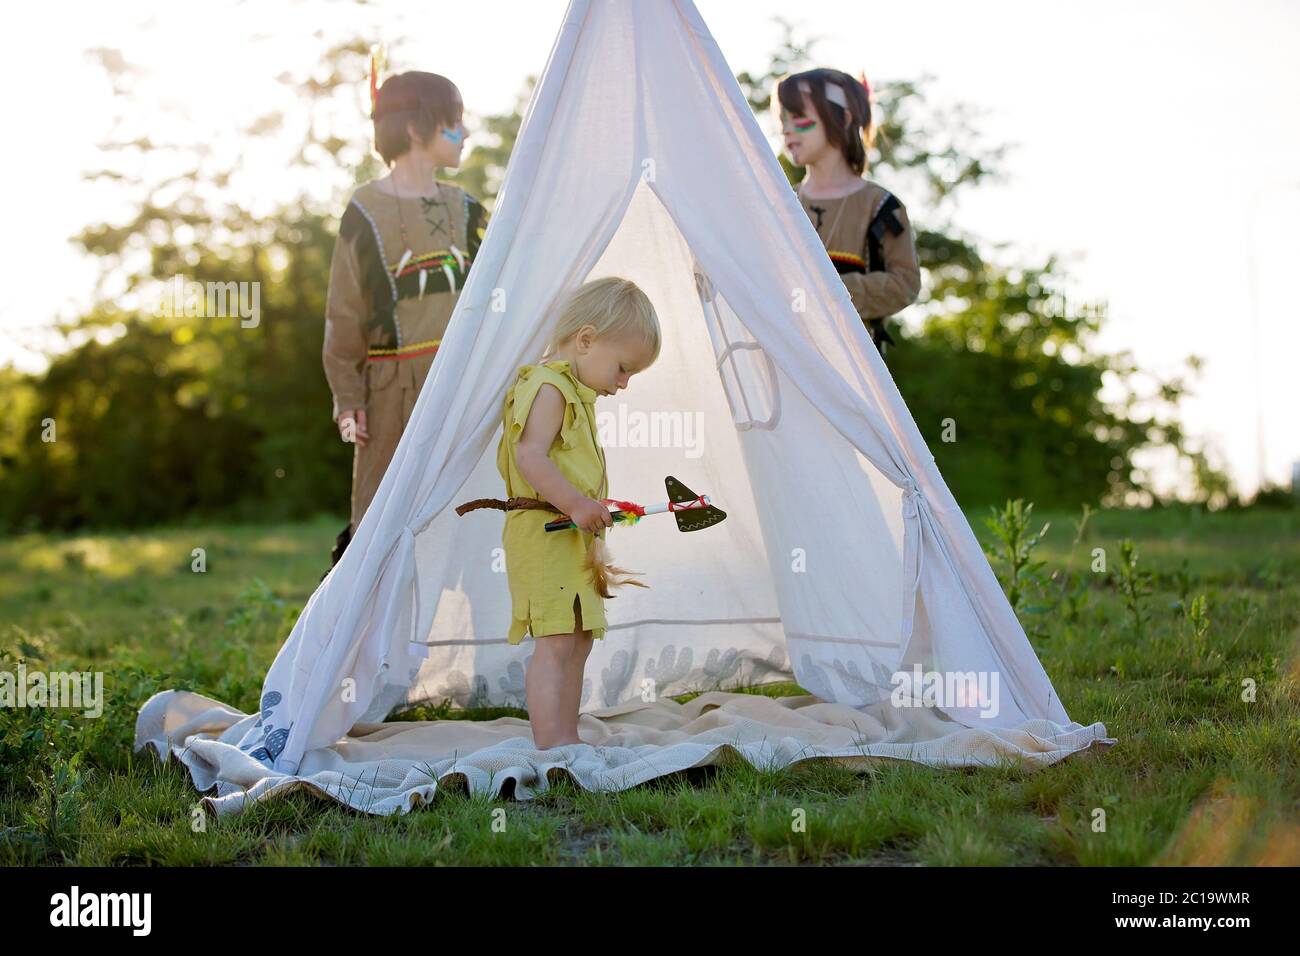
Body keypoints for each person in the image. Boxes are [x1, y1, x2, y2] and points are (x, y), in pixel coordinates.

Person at [320, 69, 488, 577]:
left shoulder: (466, 208)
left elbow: (496, 294)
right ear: (417, 129)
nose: (464, 134)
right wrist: (349, 398)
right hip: (392, 394)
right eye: (454, 124)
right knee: (382, 521)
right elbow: (343, 312)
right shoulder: (364, 211)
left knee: (469, 515)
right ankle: (374, 652)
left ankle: (465, 652)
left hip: (462, 388)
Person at [496, 277, 660, 749]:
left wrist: (591, 506)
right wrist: (574, 503)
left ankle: (566, 736)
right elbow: (530, 456)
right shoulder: (547, 387)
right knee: (556, 640)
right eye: (623, 368)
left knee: (580, 637)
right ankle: (552, 745)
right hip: (545, 531)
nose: (623, 383)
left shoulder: (573, 393)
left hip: (572, 533)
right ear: (586, 340)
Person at [773, 67, 921, 360]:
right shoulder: (780, 205)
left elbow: (906, 283)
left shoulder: (882, 206)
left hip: (855, 367)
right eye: (783, 120)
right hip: (789, 363)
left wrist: (835, 291)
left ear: (843, 117)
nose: (788, 129)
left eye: (799, 118)